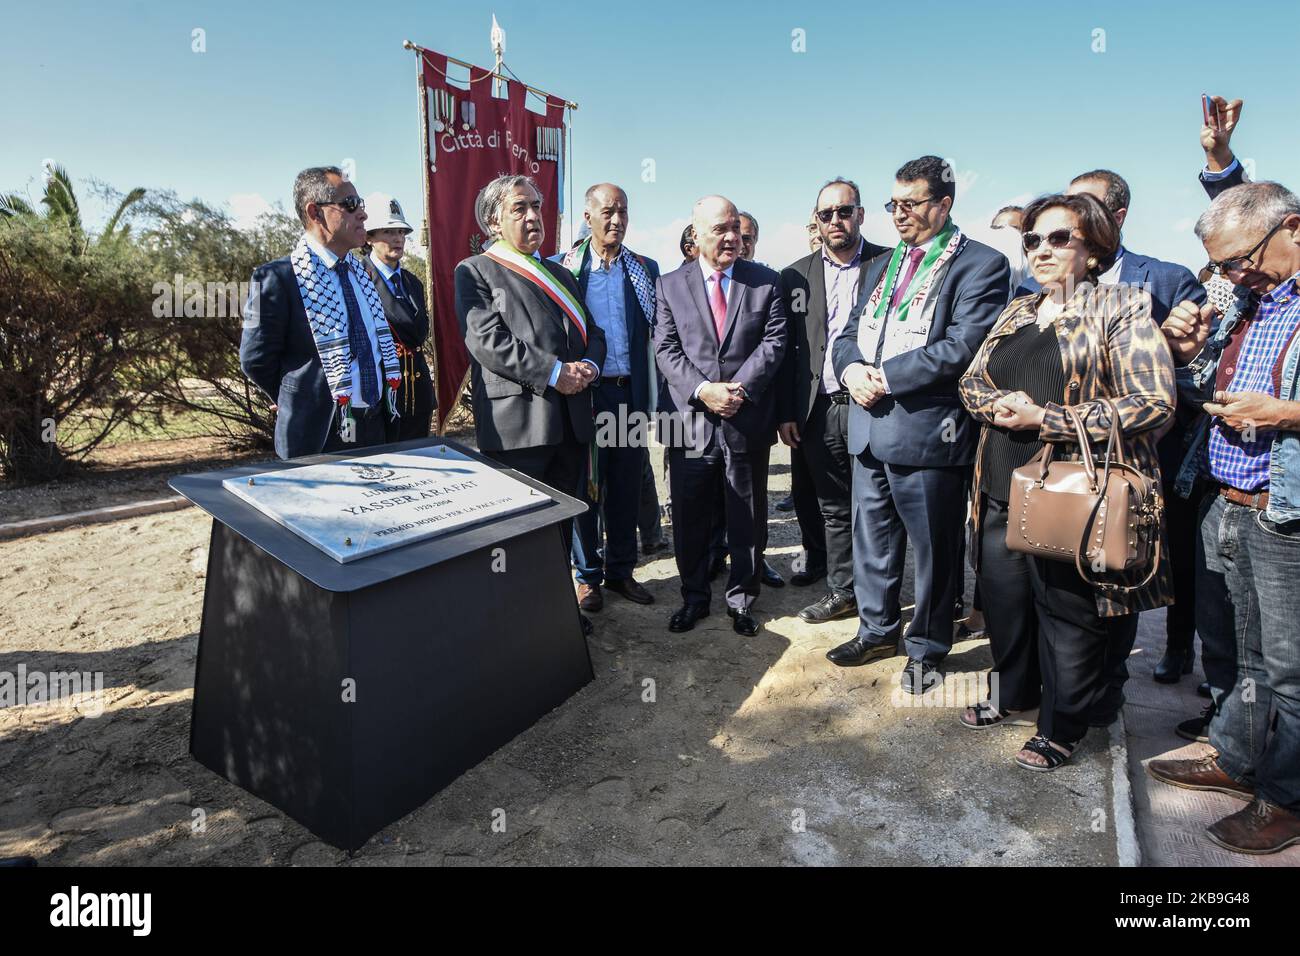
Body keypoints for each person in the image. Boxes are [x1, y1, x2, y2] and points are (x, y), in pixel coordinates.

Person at [958, 192, 1175, 770]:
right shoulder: (1018, 310)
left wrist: (1045, 418)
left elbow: (1153, 403)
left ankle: (1062, 725)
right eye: (1032, 240)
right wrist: (997, 403)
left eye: (1059, 238)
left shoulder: (1122, 307)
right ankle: (1014, 694)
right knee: (1005, 604)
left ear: (1095, 249)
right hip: (1002, 480)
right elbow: (972, 379)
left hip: (1072, 489)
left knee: (1067, 613)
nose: (1042, 250)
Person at [1148, 181, 1300, 854]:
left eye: (1239, 259)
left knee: (1293, 672)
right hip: (1223, 498)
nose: (1232, 274)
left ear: (1292, 228)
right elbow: (1193, 386)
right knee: (1240, 658)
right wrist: (1183, 347)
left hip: (1284, 514)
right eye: (1223, 265)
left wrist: (1285, 414)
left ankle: (1287, 800)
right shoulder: (1246, 301)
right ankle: (1236, 760)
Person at [1020, 170, 1205, 716]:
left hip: (1138, 460)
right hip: (1059, 464)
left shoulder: (1160, 283)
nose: (1046, 245)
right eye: (1036, 237)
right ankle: (1074, 694)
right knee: (1067, 589)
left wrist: (1167, 353)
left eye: (1068, 226)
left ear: (1110, 222)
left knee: (1122, 577)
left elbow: (1181, 380)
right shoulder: (1034, 294)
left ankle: (1112, 687)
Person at [830, 156, 1010, 692]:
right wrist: (851, 368)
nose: (899, 215)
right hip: (868, 427)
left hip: (930, 434)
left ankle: (928, 647)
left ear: (944, 204)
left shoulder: (980, 264)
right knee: (872, 540)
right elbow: (846, 334)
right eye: (894, 204)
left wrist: (883, 376)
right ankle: (876, 629)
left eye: (910, 204)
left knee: (933, 549)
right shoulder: (882, 266)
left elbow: (962, 347)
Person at [654, 195, 787, 636]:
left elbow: (774, 344)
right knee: (690, 518)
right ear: (696, 235)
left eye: (735, 228)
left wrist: (739, 390)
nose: (731, 237)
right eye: (720, 229)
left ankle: (743, 600)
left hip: (745, 420)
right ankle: (694, 598)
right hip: (691, 423)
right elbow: (666, 350)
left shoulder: (765, 282)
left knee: (746, 516)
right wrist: (704, 390)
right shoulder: (670, 284)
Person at [453, 174, 606, 558]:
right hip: (518, 430)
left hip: (570, 425)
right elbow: (488, 341)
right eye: (519, 208)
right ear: (494, 222)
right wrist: (556, 373)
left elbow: (594, 332)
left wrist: (589, 364)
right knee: (519, 536)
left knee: (561, 529)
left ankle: (561, 612)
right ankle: (522, 617)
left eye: (536, 205)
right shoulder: (474, 270)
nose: (533, 215)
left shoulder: (562, 275)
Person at [779, 178, 889, 623]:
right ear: (816, 221)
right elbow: (786, 350)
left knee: (881, 504)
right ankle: (843, 591)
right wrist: (788, 410)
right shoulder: (794, 275)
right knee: (835, 507)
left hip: (877, 405)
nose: (836, 221)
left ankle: (882, 593)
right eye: (826, 214)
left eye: (844, 211)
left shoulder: (889, 265)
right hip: (820, 408)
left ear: (860, 214)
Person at [240, 166, 401, 459]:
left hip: (374, 427)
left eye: (360, 205)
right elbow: (255, 359)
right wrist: (295, 398)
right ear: (315, 213)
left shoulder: (362, 275)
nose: (362, 214)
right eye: (350, 205)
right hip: (317, 435)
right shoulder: (276, 278)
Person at [555, 184, 660, 611]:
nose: (616, 220)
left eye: (623, 211)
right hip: (586, 395)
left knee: (625, 484)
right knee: (586, 487)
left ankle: (621, 571)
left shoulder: (644, 269)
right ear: (587, 215)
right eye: (607, 211)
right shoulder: (566, 270)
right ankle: (588, 577)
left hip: (629, 394)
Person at [359, 193, 435, 441]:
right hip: (381, 393)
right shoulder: (358, 278)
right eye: (388, 232)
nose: (398, 238)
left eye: (401, 232)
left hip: (417, 393)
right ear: (369, 237)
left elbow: (417, 332)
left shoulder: (412, 282)